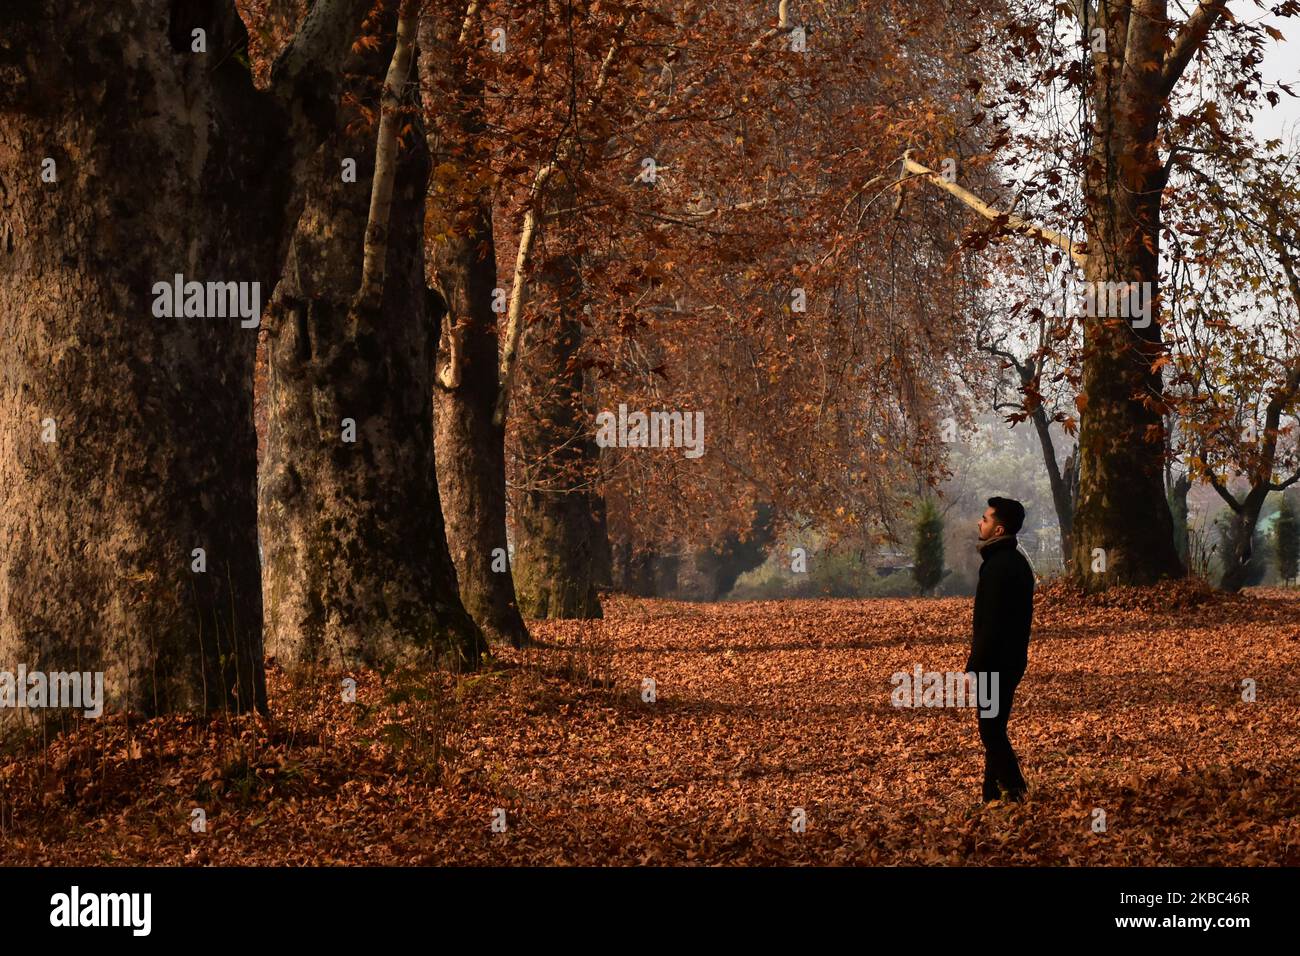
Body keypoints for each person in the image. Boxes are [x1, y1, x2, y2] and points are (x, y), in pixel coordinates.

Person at [967, 496, 1034, 804]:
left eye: (986, 518)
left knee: (991, 730)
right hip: (1010, 661)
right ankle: (991, 793)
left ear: (999, 529)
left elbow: (990, 625)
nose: (980, 523)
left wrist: (975, 667)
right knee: (994, 726)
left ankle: (1015, 787)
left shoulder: (998, 567)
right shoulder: (1015, 562)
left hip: (996, 664)